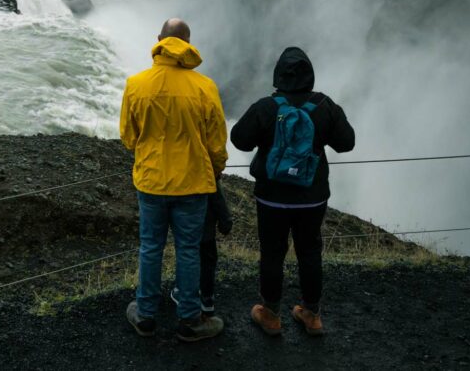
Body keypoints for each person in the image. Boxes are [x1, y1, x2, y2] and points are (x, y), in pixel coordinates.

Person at [231, 47, 355, 336]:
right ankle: (311, 315)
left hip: (271, 197)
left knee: (272, 252)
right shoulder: (325, 105)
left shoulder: (266, 107)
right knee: (310, 251)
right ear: (310, 75)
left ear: (278, 76)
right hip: (312, 197)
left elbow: (239, 139)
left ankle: (271, 314)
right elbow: (346, 142)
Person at [121, 18, 228, 342]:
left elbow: (128, 137)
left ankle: (145, 315)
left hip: (152, 182)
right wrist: (216, 168)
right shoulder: (205, 87)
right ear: (188, 43)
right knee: (189, 250)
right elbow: (217, 144)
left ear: (159, 41)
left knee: (151, 248)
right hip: (193, 184)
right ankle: (190, 320)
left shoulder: (136, 84)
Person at [171, 179, 232, 315]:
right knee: (208, 263)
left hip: (187, 230)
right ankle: (207, 298)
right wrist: (225, 221)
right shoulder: (207, 170)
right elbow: (217, 197)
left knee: (186, 258)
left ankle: (184, 292)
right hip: (207, 231)